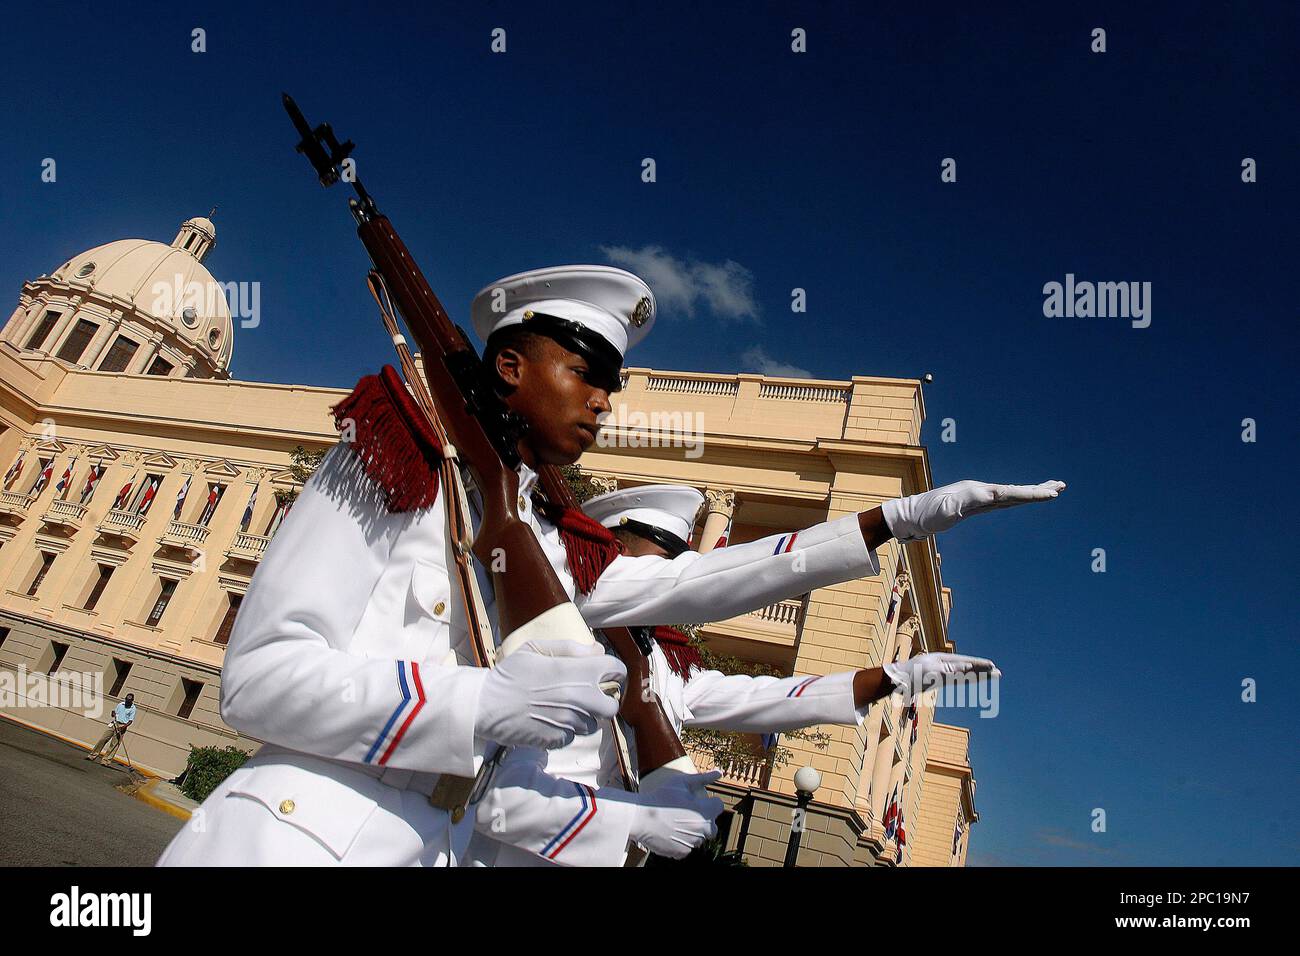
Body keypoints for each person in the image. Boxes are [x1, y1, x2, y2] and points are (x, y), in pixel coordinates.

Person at [159, 265, 718, 866]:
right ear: (510, 368)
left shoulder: (538, 540)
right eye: (585, 374)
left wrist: (627, 823)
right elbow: (256, 679)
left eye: (610, 385)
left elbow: (499, 792)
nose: (602, 401)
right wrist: (476, 703)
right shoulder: (397, 453)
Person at [462, 486, 1006, 866]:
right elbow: (494, 797)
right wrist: (889, 521)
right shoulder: (560, 626)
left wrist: (890, 676)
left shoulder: (660, 663)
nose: (674, 569)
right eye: (661, 554)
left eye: (680, 556)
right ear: (614, 546)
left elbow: (767, 697)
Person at [87, 693, 136, 766]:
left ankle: (106, 761)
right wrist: (113, 713)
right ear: (125, 699)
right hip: (114, 723)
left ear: (132, 701)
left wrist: (123, 727)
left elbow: (130, 721)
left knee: (114, 745)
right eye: (126, 700)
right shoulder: (120, 704)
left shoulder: (133, 708)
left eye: (129, 701)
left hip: (122, 726)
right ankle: (92, 755)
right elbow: (115, 713)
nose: (127, 701)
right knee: (103, 739)